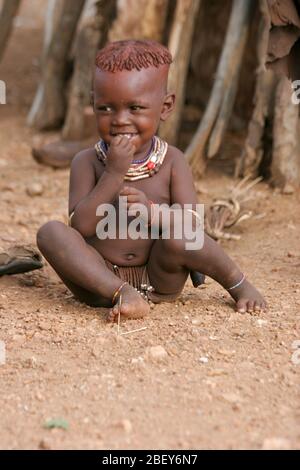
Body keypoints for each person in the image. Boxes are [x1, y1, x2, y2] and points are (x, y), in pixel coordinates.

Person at [36, 39, 266, 322]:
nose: (120, 120)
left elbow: (192, 225)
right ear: (92, 103)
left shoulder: (172, 161)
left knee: (183, 237)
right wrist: (112, 174)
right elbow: (80, 226)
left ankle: (238, 284)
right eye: (106, 108)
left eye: (134, 108)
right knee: (51, 233)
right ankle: (122, 293)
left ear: (165, 106)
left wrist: (152, 213)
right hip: (99, 280)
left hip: (160, 277)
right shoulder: (86, 161)